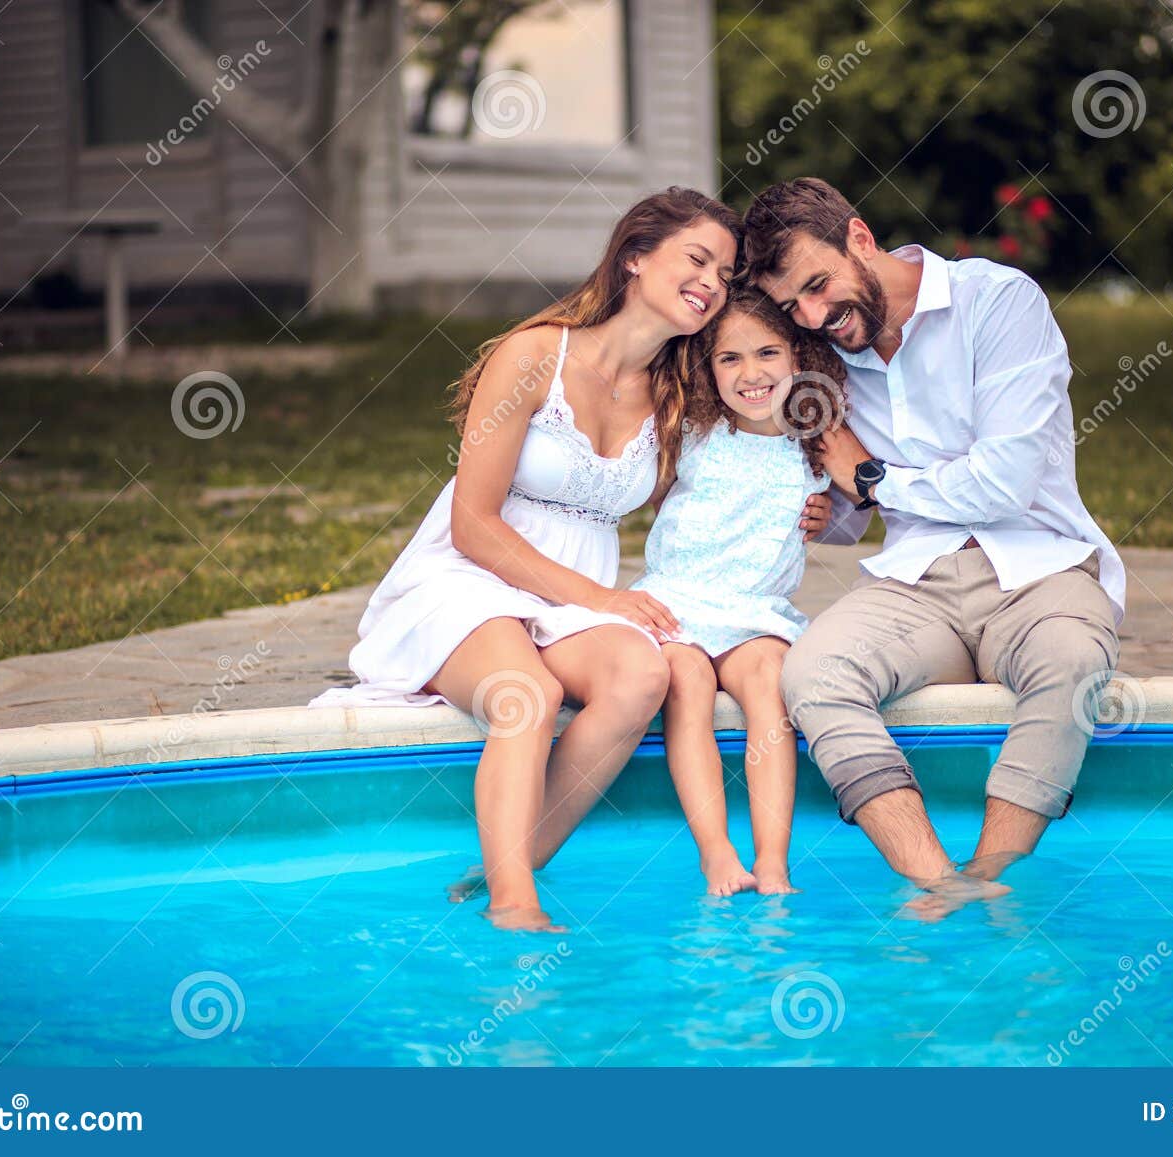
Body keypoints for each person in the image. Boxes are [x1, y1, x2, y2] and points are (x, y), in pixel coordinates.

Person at [312, 188, 743, 932]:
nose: (714, 282)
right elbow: (474, 524)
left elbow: (748, 459)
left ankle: (502, 865)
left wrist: (823, 508)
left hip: (567, 601)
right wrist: (604, 600)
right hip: (469, 576)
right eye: (698, 259)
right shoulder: (535, 353)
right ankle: (515, 909)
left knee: (643, 672)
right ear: (635, 257)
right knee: (526, 697)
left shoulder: (675, 393)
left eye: (728, 274)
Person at [743, 177, 1126, 919]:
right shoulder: (825, 358)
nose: (817, 316)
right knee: (815, 672)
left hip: (1039, 564)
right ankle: (936, 881)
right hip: (915, 584)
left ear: (860, 237)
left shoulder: (999, 302)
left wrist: (873, 478)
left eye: (819, 286)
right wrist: (830, 499)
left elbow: (1004, 483)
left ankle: (987, 872)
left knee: (1073, 663)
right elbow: (857, 514)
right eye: (794, 307)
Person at [629, 287, 842, 896]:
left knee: (772, 685)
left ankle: (773, 861)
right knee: (687, 685)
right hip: (679, 604)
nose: (752, 374)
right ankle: (717, 852)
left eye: (768, 352)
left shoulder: (816, 444)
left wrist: (829, 514)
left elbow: (858, 508)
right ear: (707, 368)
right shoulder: (694, 430)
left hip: (756, 615)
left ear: (798, 356)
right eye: (730, 359)